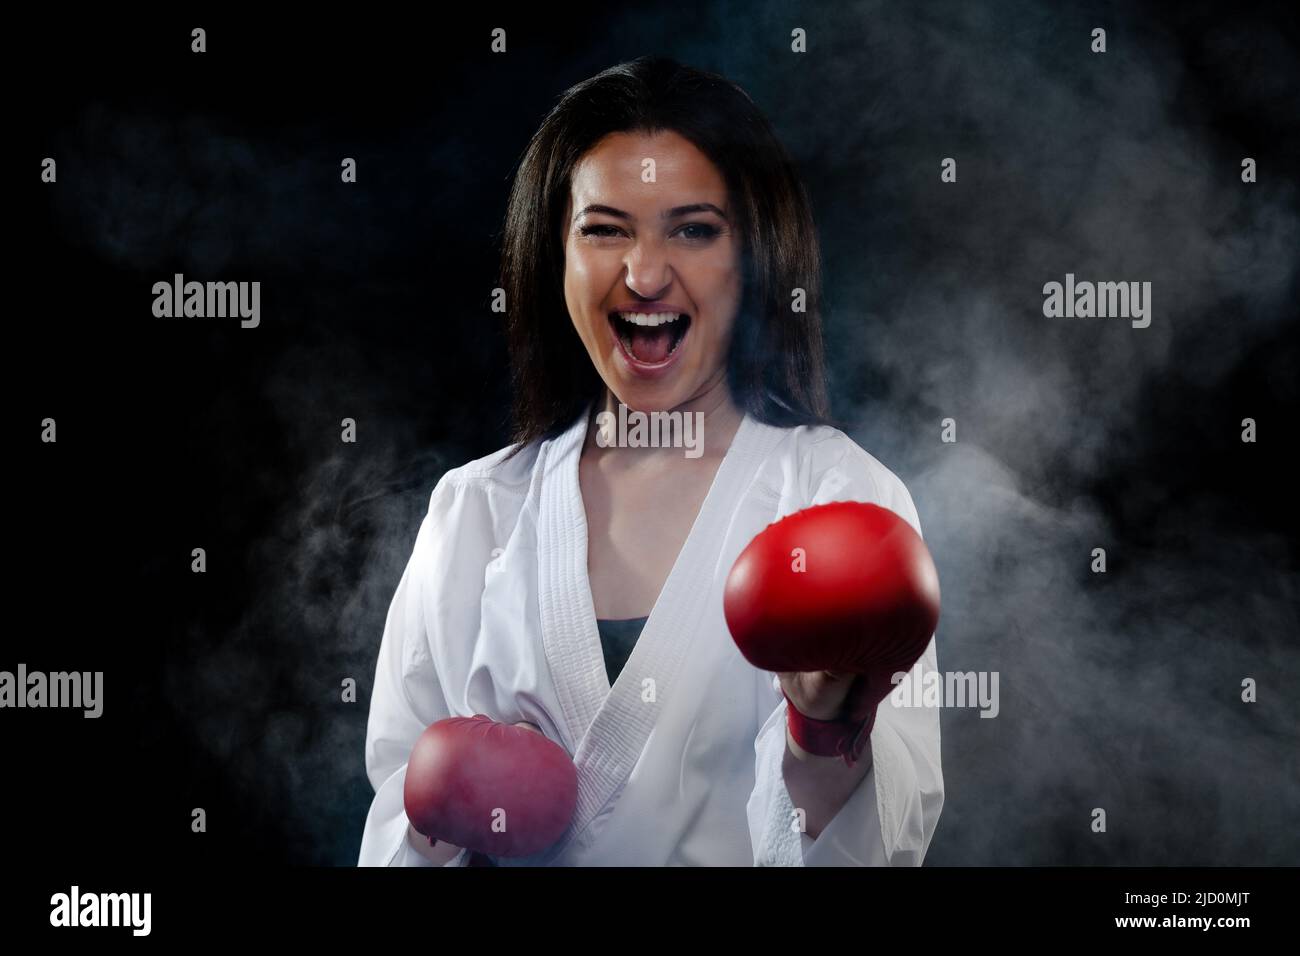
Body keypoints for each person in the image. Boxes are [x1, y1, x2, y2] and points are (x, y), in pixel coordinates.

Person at [357, 55, 943, 867]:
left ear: (756, 256)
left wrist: (824, 732)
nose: (644, 274)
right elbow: (393, 812)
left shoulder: (841, 500)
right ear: (553, 256)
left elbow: (889, 845)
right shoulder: (475, 509)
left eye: (693, 229)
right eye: (604, 230)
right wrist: (435, 815)